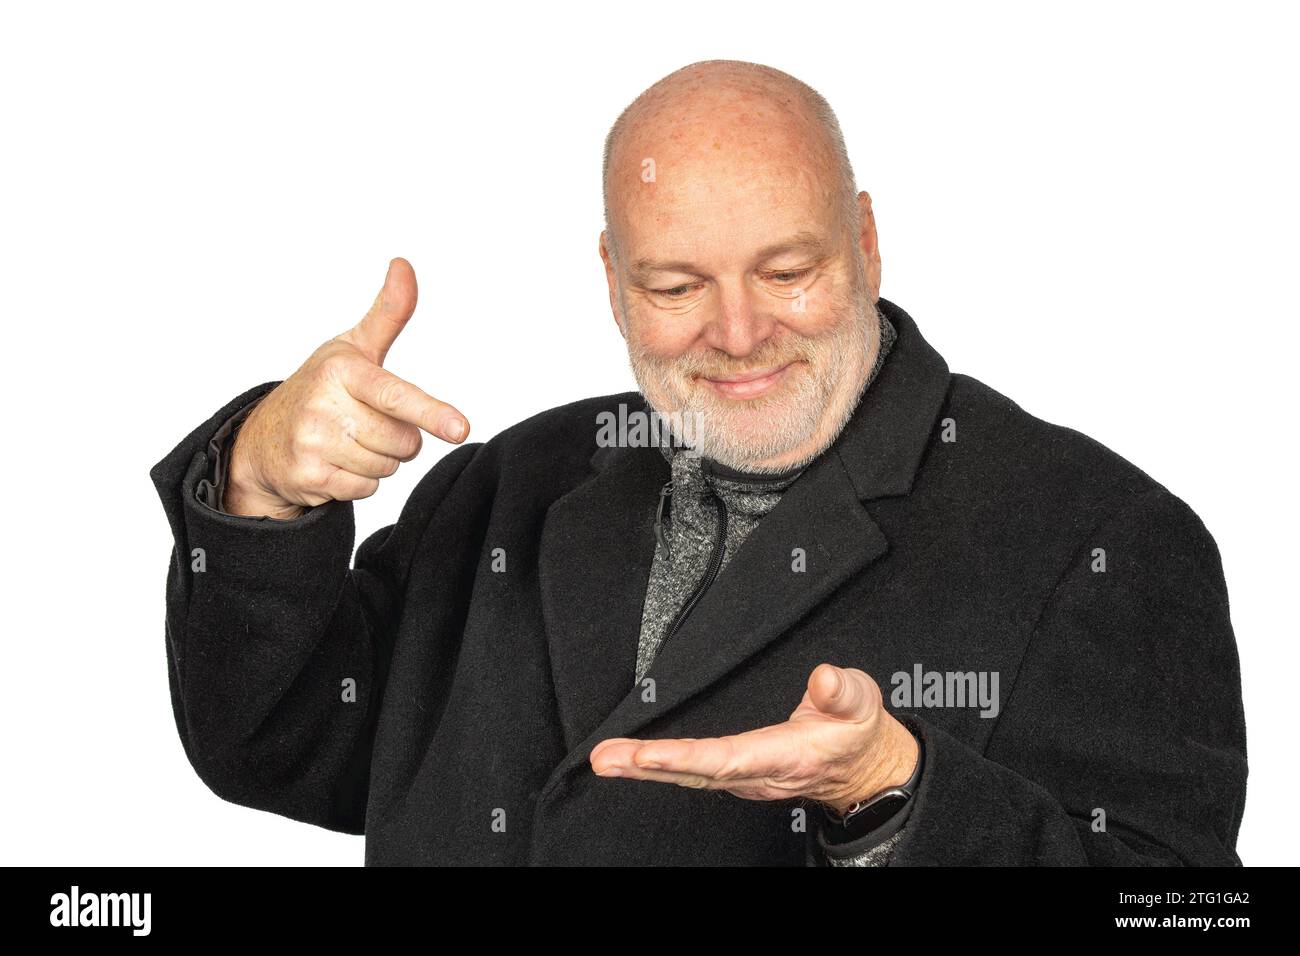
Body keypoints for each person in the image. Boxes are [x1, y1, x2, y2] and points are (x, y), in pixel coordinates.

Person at [149, 60, 1247, 866]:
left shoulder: (1098, 538)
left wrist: (893, 799)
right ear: (612, 277)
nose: (734, 334)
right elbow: (274, 745)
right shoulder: (504, 488)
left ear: (865, 241)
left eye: (784, 271)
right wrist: (261, 491)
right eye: (675, 287)